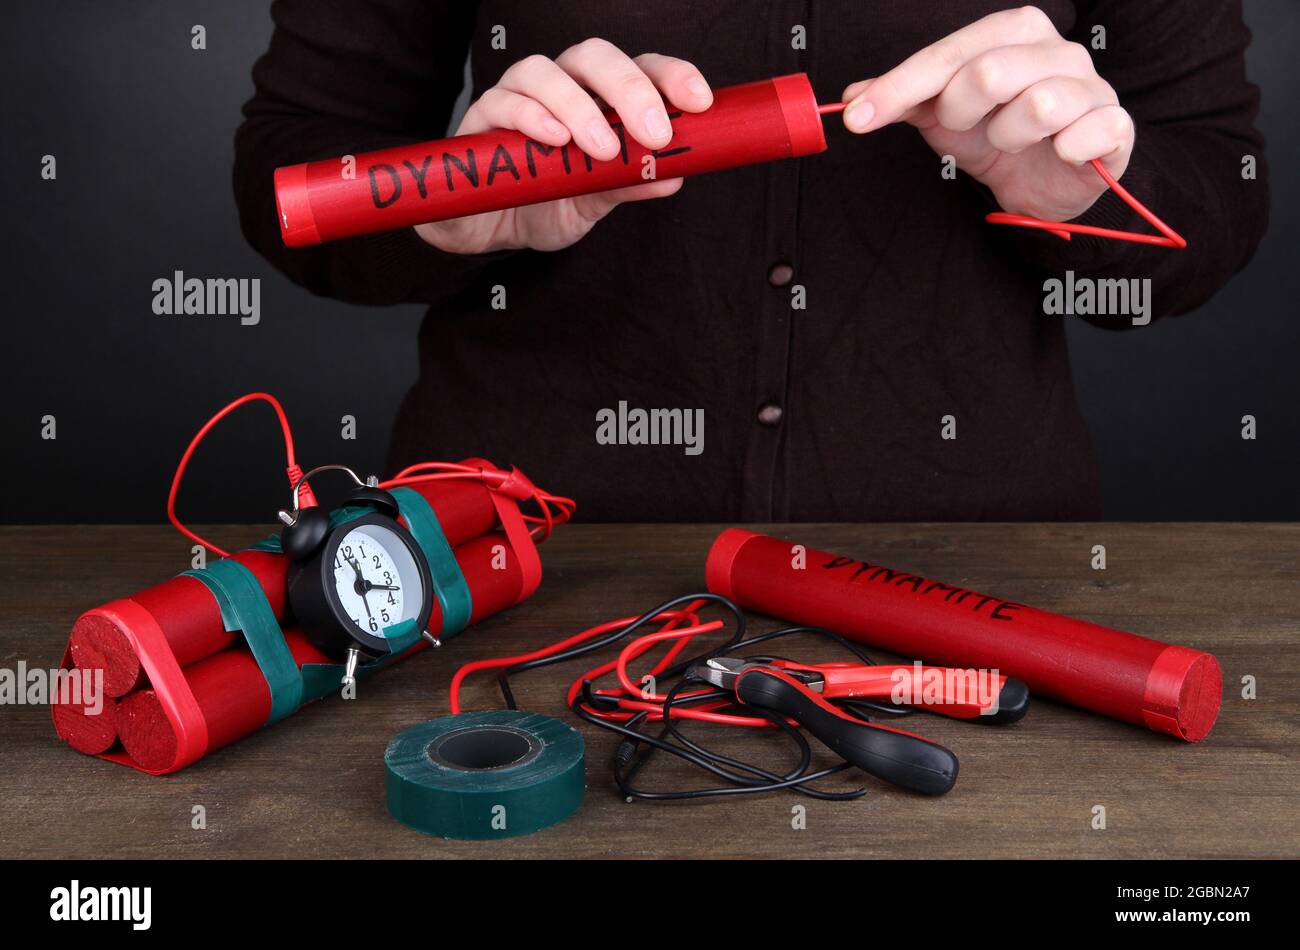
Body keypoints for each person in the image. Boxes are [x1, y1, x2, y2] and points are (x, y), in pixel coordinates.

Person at [235, 2, 1267, 522]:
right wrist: (451, 213)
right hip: (512, 552)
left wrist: (1085, 198)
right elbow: (291, 177)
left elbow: (1221, 193)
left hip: (977, 572)